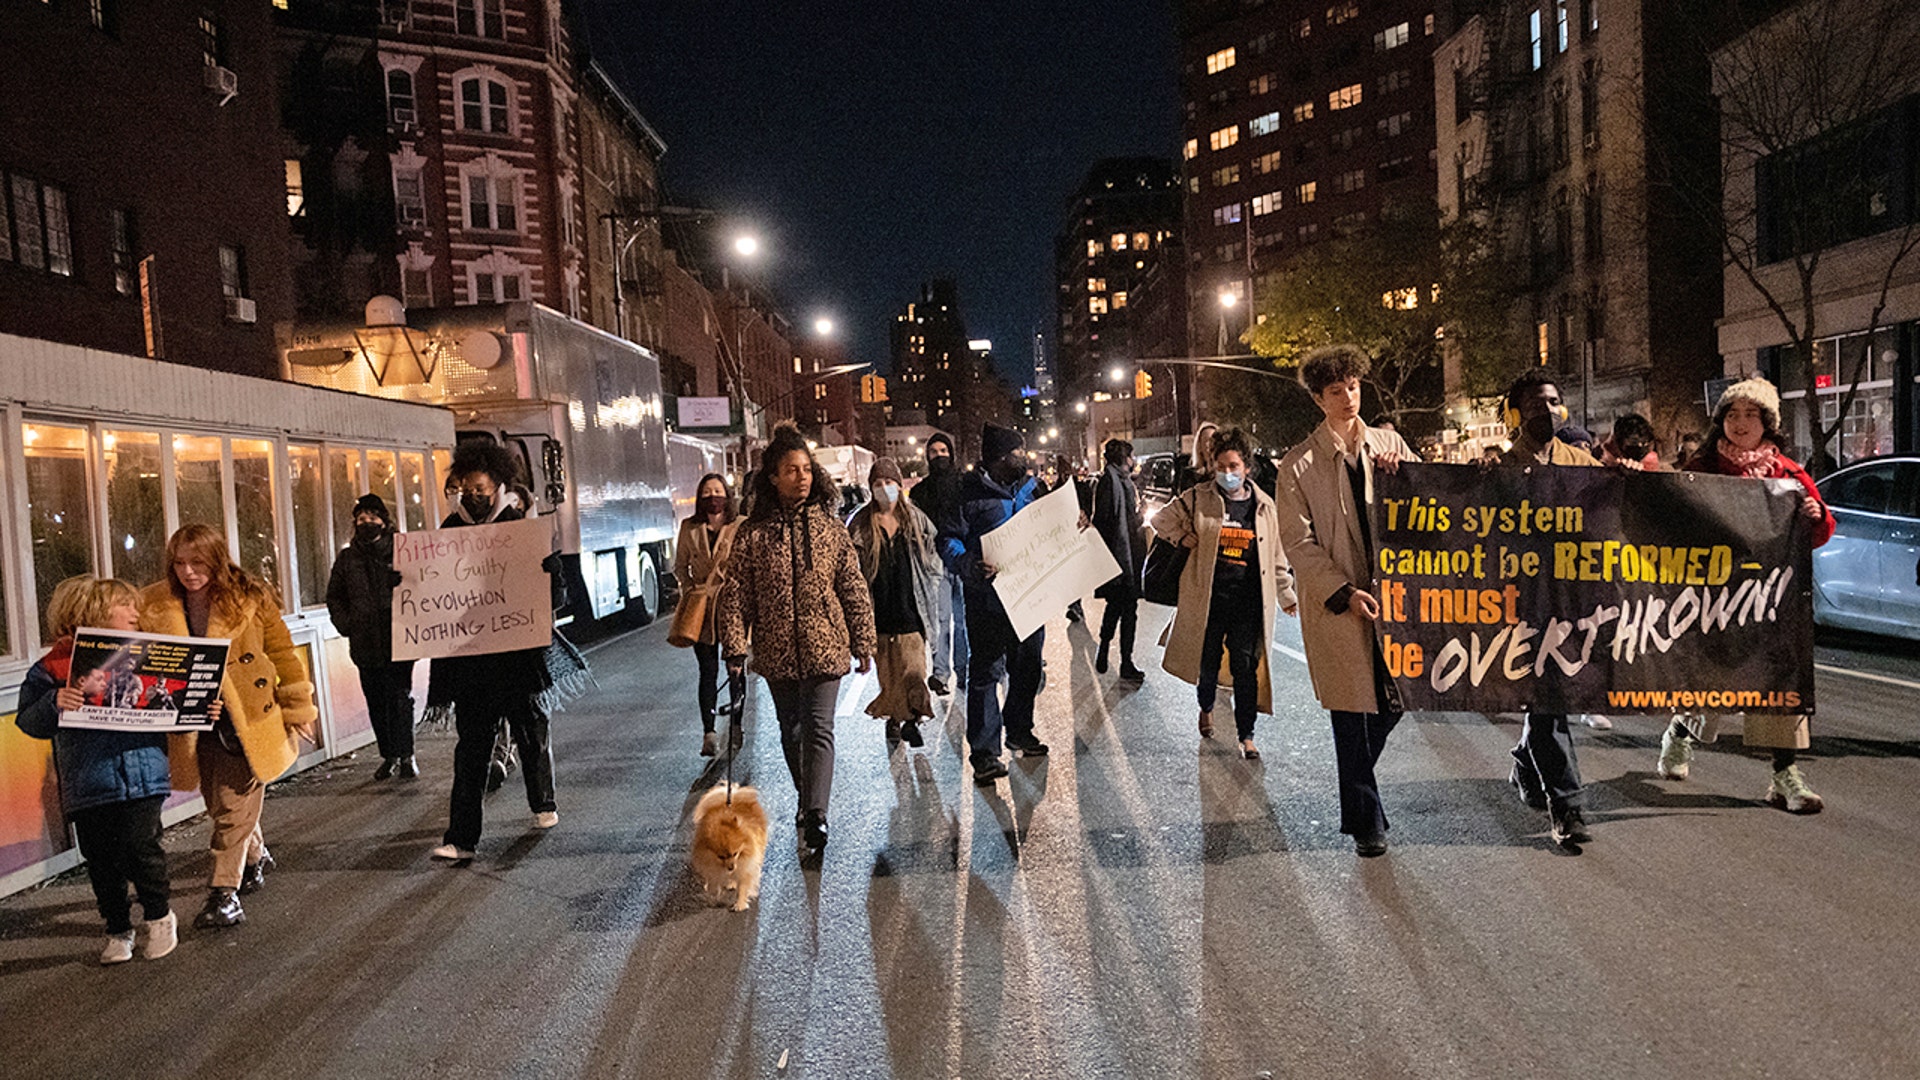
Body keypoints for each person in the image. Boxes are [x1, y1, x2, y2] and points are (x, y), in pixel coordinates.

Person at [1657, 376, 1835, 813]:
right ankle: (1680, 733)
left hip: (1773, 603)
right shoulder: (1703, 471)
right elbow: (1672, 522)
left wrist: (1815, 515)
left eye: (1751, 415)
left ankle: (1784, 775)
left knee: (1779, 685)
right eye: (1732, 414)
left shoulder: (1789, 475)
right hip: (1715, 600)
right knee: (1712, 684)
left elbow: (1816, 535)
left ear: (1768, 422)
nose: (1741, 423)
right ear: (1720, 421)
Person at [1274, 345, 1414, 857]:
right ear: (1318, 399)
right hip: (1338, 604)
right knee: (1349, 713)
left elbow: (1426, 512)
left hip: (1394, 598)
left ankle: (1359, 791)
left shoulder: (1389, 443)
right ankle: (1365, 823)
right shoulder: (1297, 464)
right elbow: (1299, 542)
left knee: (1397, 697)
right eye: (1336, 390)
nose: (1349, 397)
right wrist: (1342, 592)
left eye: (1354, 386)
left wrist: (1405, 476)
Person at [139, 523, 317, 926]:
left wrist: (298, 708)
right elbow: (139, 659)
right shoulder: (154, 603)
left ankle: (223, 894)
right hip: (190, 720)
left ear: (216, 559)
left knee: (231, 805)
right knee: (218, 802)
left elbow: (283, 653)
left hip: (246, 719)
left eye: (197, 561)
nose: (188, 571)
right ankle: (253, 855)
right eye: (179, 563)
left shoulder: (250, 597)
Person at [720, 423, 877, 856]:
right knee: (791, 731)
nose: (802, 477)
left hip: (826, 643)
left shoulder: (830, 529)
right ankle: (808, 804)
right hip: (776, 650)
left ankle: (816, 815)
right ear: (773, 476)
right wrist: (734, 647)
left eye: (807, 469)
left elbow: (852, 585)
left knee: (819, 730)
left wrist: (863, 641)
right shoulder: (752, 534)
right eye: (791, 470)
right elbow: (736, 594)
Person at [17, 577, 179, 963]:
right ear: (92, 612)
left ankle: (159, 917)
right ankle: (117, 928)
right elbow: (29, 721)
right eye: (125, 605)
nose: (135, 612)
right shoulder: (54, 666)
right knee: (102, 859)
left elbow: (173, 708)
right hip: (89, 781)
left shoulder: (151, 655)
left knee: (143, 848)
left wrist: (202, 710)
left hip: (143, 775)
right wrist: (55, 702)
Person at [427, 441, 560, 863]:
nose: (473, 495)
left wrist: (550, 576)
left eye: (480, 488)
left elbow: (553, 596)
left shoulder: (521, 530)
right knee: (471, 749)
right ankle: (461, 839)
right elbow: (432, 590)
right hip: (471, 663)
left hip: (516, 658)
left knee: (530, 732)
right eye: (466, 488)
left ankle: (543, 802)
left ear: (499, 485)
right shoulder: (448, 533)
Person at [1501, 369, 1603, 847]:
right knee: (1547, 700)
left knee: (1550, 698)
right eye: (1537, 402)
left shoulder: (1582, 462)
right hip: (1522, 602)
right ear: (1516, 413)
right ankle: (1568, 807)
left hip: (1569, 600)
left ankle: (1529, 762)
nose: (1548, 409)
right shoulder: (1502, 468)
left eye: (1554, 400)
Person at [1154, 427, 1298, 759]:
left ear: (1247, 467)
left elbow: (1277, 558)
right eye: (1221, 467)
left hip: (1248, 602)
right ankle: (1206, 705)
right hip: (1209, 600)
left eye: (1234, 466)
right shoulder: (1197, 497)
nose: (1227, 473)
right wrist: (1182, 537)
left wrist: (1286, 594)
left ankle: (1246, 735)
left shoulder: (1265, 507)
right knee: (1207, 663)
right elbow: (1161, 520)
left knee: (1245, 667)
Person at [944, 422, 1051, 786]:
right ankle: (985, 753)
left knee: (1027, 667)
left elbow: (1057, 524)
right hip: (986, 599)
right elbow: (948, 541)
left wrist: (1077, 522)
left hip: (1029, 596)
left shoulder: (1033, 488)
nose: (1024, 458)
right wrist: (967, 564)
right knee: (986, 672)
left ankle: (1020, 730)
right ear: (998, 458)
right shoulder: (967, 493)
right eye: (1017, 453)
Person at [848, 457, 944, 749]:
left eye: (889, 482)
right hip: (879, 617)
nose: (884, 488)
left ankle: (913, 720)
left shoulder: (916, 520)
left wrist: (933, 584)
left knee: (915, 673)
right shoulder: (861, 524)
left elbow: (933, 558)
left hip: (912, 613)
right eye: (878, 483)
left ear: (899, 485)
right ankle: (894, 718)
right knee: (889, 678)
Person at [326, 493, 418, 780]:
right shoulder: (347, 558)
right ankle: (388, 755)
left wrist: (402, 584)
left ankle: (407, 755)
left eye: (373, 517)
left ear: (384, 520)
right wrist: (348, 625)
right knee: (376, 701)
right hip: (365, 643)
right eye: (362, 518)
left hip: (398, 640)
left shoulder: (401, 552)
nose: (367, 522)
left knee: (399, 698)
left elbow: (422, 584)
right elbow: (335, 597)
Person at [674, 473, 744, 758]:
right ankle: (709, 731)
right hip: (701, 608)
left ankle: (737, 726)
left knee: (736, 669)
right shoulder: (689, 527)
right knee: (707, 671)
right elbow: (680, 566)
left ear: (726, 495)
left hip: (732, 606)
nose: (712, 496)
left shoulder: (740, 525)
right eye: (706, 492)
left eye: (717, 491)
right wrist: (692, 590)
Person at [912, 432, 967, 697]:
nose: (939, 456)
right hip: (936, 563)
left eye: (943, 450)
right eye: (933, 452)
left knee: (965, 621)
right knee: (942, 620)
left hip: (964, 559)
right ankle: (941, 673)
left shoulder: (964, 484)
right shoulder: (920, 491)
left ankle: (965, 670)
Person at [1091, 438, 1147, 680]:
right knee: (1121, 608)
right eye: (1131, 457)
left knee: (1125, 609)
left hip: (1127, 558)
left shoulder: (1122, 483)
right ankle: (1108, 650)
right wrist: (1138, 516)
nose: (1133, 462)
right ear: (1123, 459)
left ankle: (1123, 659)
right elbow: (1105, 522)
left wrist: (1138, 515)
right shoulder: (1109, 483)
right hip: (1118, 559)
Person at [1181, 421, 1220, 490]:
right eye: (1205, 440)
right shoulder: (1190, 476)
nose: (1209, 444)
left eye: (1212, 440)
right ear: (1199, 446)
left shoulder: (1226, 473)